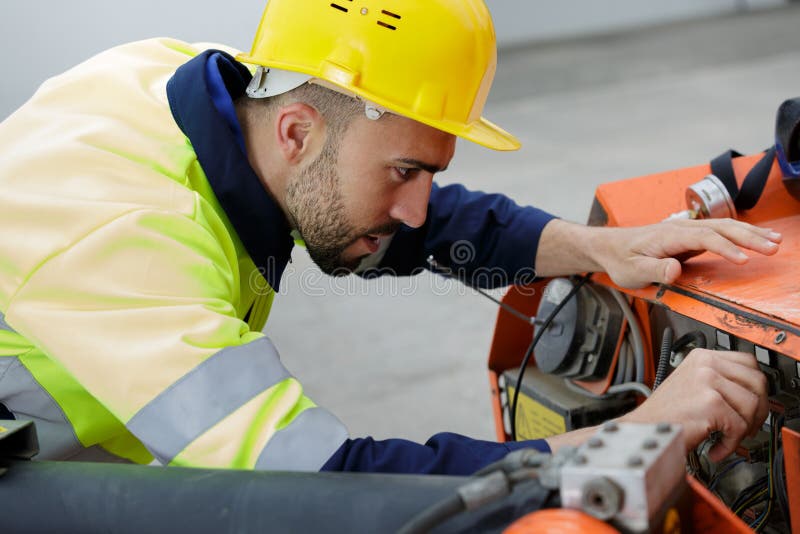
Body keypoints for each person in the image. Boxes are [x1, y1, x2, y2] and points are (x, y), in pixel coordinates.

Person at [0, 0, 773, 473]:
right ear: (297, 132)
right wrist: (637, 433)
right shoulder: (127, 238)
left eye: (426, 173)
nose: (415, 208)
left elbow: (416, 222)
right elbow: (321, 488)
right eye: (404, 170)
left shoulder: (208, 99)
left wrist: (601, 247)